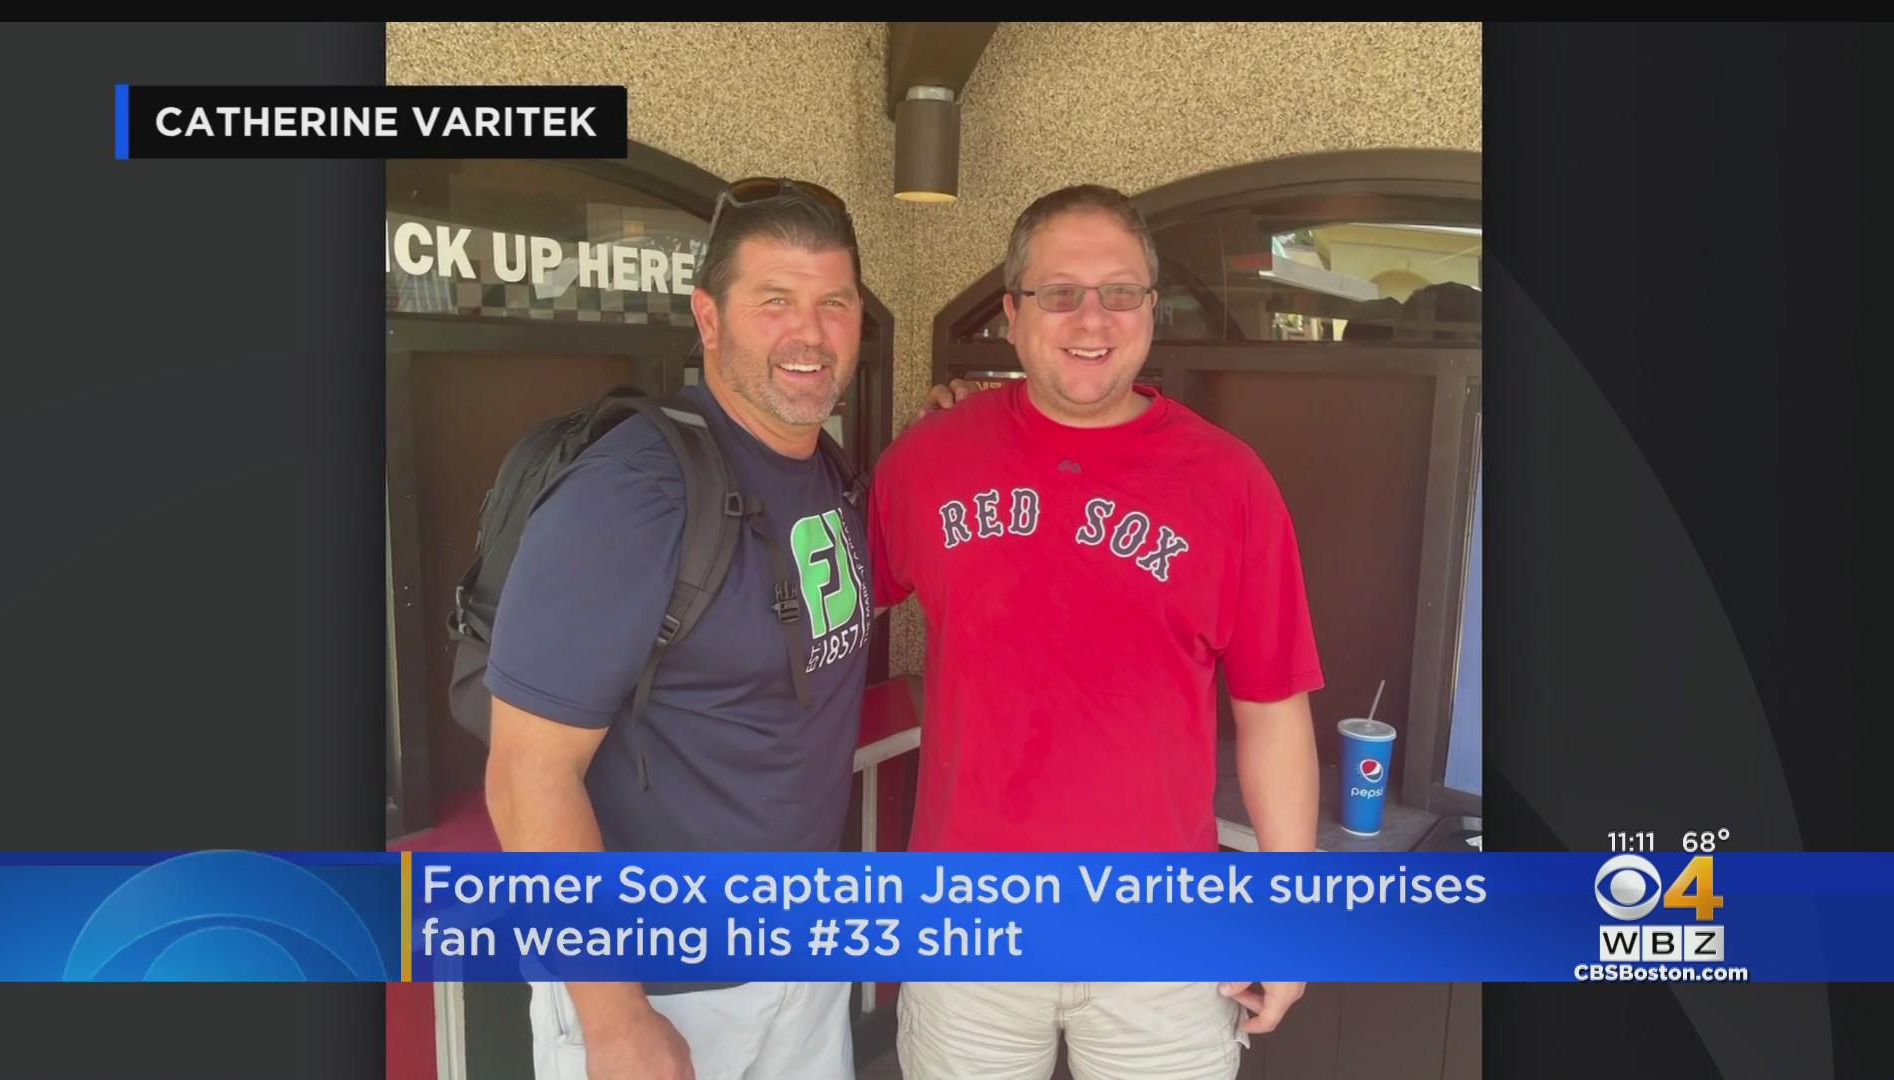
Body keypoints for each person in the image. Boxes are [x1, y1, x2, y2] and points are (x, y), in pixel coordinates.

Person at [868, 184, 1325, 1080]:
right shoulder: (927, 462)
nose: (1092, 318)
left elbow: (1274, 710)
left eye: (1120, 292)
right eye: (1059, 292)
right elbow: (829, 627)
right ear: (1011, 314)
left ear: (1151, 310)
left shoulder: (1229, 483)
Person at [483, 177, 874, 1080]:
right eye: (774, 301)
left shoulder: (825, 471)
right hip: (662, 987)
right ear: (709, 318)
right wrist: (615, 1017)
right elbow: (526, 773)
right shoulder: (634, 490)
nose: (810, 334)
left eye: (834, 303)